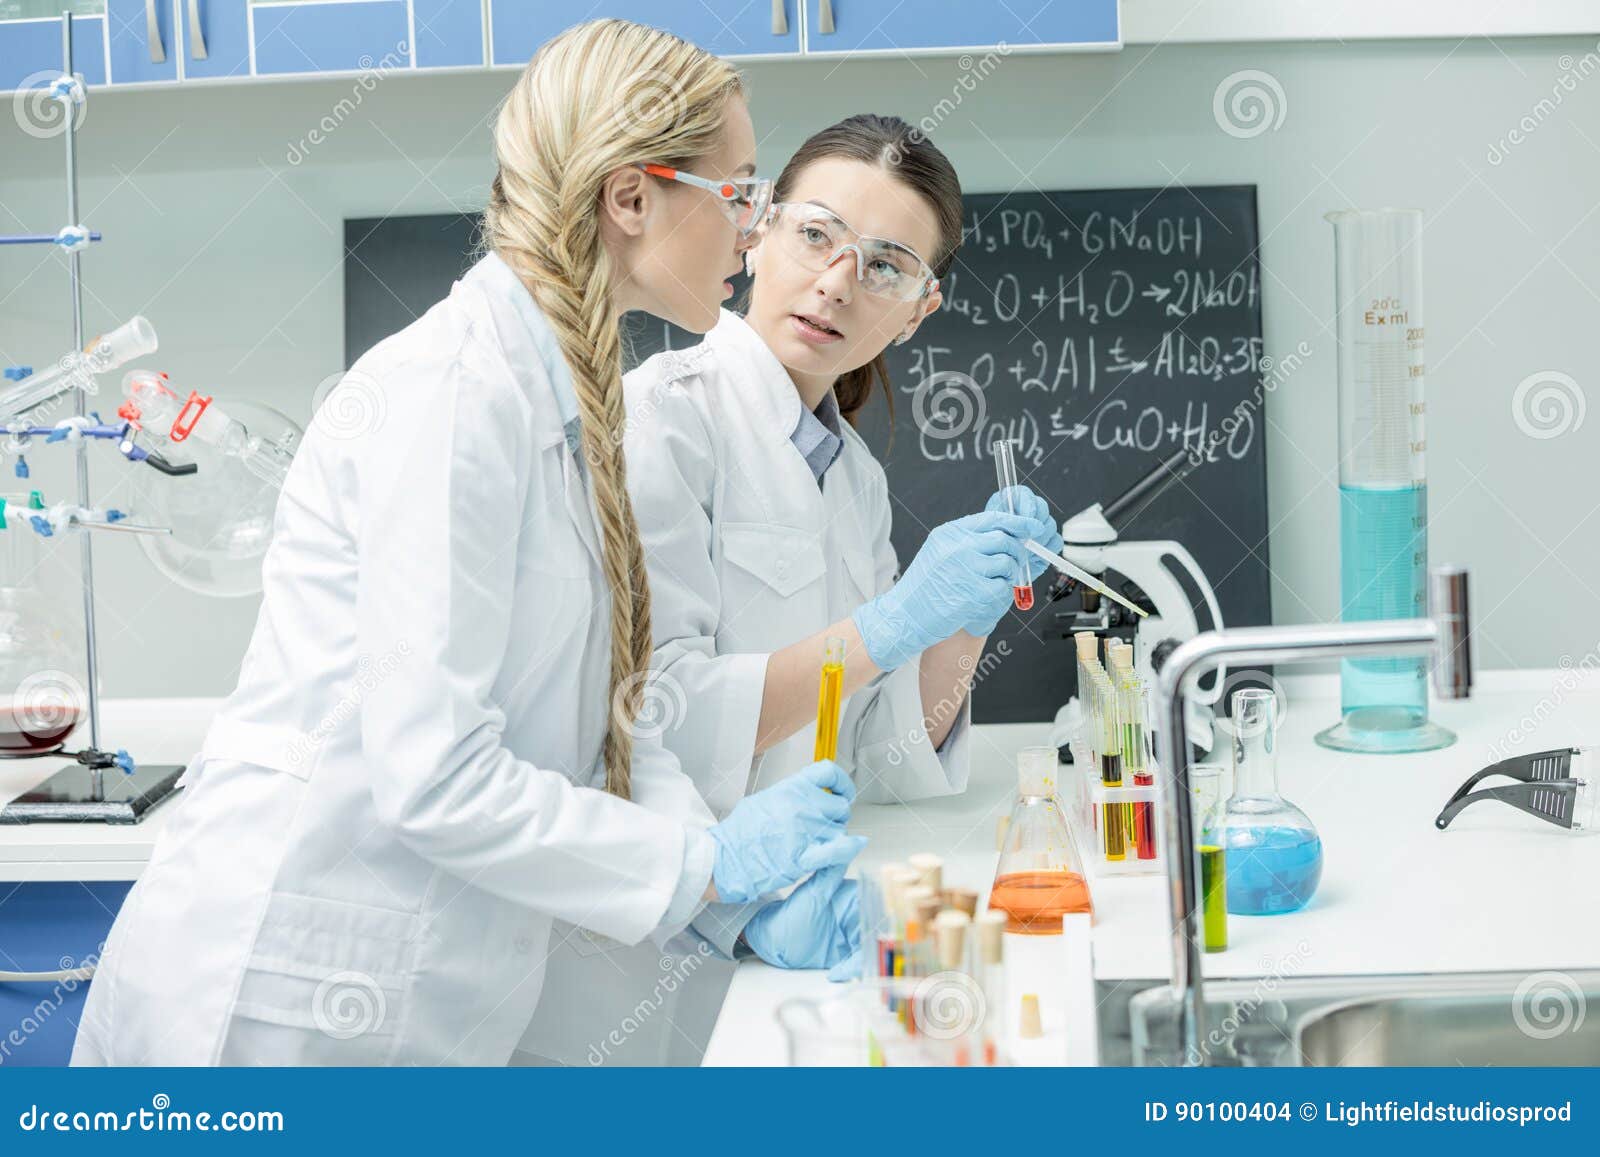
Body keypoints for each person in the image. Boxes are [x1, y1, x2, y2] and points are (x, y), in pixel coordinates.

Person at [72, 20, 862, 1069]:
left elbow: (596, 728)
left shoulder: (560, 401)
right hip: (279, 1003)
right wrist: (703, 863)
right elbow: (436, 777)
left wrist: (728, 895)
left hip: (399, 995)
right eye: (740, 195)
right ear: (631, 198)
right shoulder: (452, 397)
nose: (753, 235)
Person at [517, 115, 1060, 1065]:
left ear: (918, 307)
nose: (839, 281)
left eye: (886, 265)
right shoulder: (662, 421)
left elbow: (888, 754)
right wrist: (890, 624)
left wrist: (964, 625)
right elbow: (653, 719)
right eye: (817, 234)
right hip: (640, 957)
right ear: (758, 228)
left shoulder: (852, 475)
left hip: (791, 954)